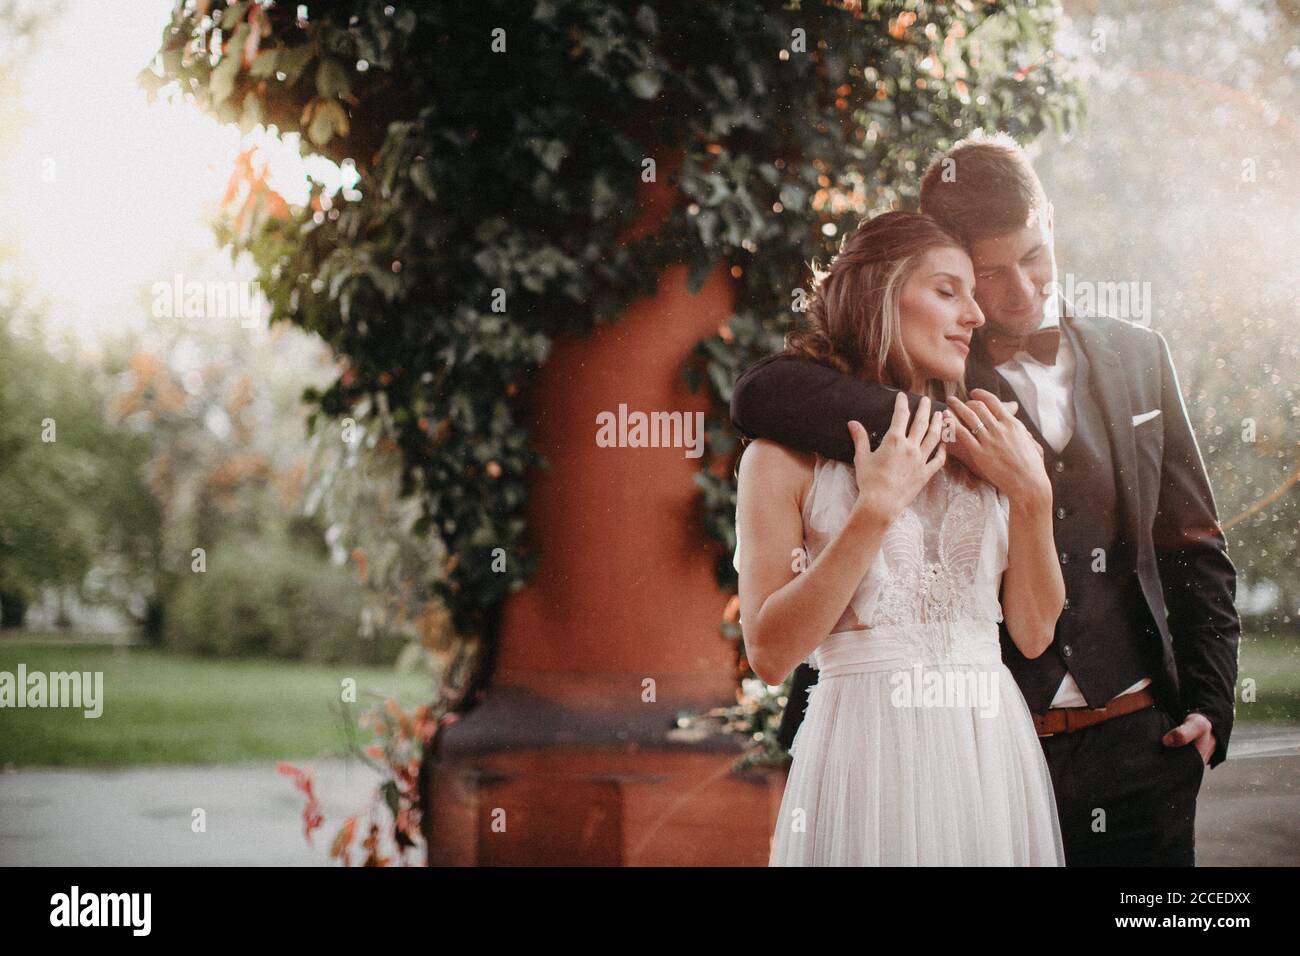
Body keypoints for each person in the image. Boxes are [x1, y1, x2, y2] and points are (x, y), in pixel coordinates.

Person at [732, 131, 1240, 866]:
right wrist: (931, 438)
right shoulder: (938, 373)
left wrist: (1210, 706)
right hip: (985, 743)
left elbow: (1195, 546)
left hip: (1141, 739)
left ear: (1053, 225)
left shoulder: (1138, 355)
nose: (1020, 292)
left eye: (1035, 258)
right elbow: (761, 392)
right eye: (984, 275)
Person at [735, 209, 1066, 865]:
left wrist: (1033, 497)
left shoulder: (989, 444)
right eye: (948, 291)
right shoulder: (782, 459)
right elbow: (770, 654)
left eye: (973, 295)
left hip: (988, 749)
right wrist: (875, 508)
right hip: (866, 751)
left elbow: (1031, 633)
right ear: (880, 296)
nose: (975, 314)